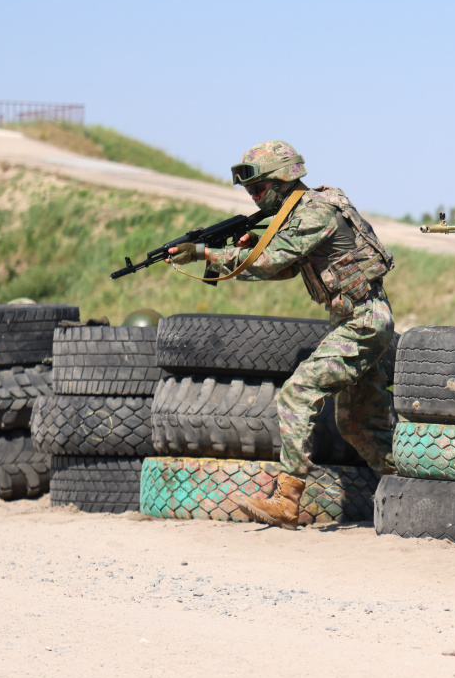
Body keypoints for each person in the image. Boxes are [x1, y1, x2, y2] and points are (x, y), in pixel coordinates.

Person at [167, 140, 396, 529]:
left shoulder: (314, 211)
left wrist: (206, 254)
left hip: (363, 321)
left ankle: (287, 500)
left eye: (259, 188)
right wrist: (250, 246)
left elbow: (270, 264)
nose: (254, 197)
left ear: (283, 180)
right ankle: (410, 489)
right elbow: (290, 266)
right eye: (249, 191)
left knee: (296, 393)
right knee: (357, 423)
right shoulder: (300, 213)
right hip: (355, 320)